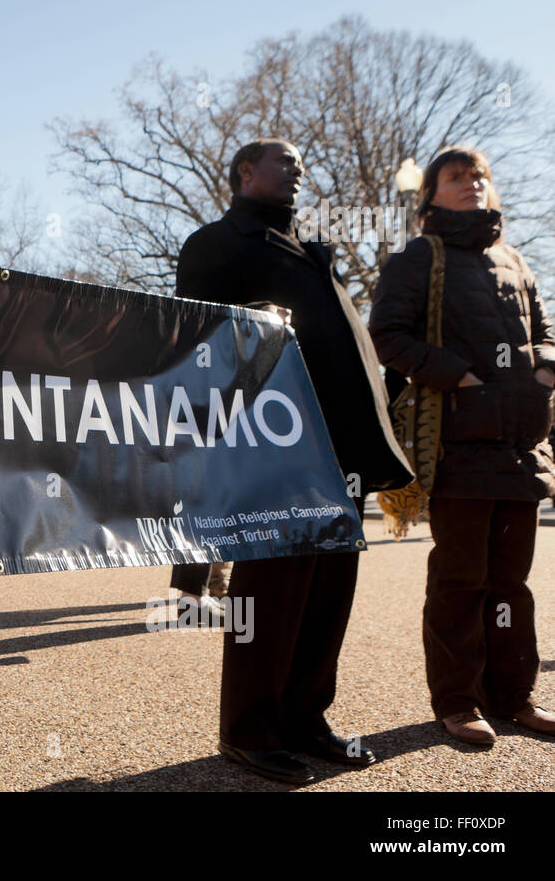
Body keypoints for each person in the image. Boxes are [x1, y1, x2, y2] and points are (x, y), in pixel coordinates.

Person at [175, 140, 413, 784]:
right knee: (271, 592)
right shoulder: (215, 244)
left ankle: (307, 719)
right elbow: (196, 339)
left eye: (301, 162)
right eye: (284, 161)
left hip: (342, 447)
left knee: (329, 593)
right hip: (275, 446)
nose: (298, 168)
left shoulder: (307, 250)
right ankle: (249, 731)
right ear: (245, 171)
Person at [369, 147, 555, 746]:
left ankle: (515, 696)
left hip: (524, 448)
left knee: (512, 585)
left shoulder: (515, 259)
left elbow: (546, 332)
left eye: (479, 175)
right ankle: (457, 701)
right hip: (459, 447)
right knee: (459, 581)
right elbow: (387, 336)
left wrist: (546, 372)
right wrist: (461, 379)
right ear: (430, 196)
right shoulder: (420, 256)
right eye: (455, 176)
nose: (472, 183)